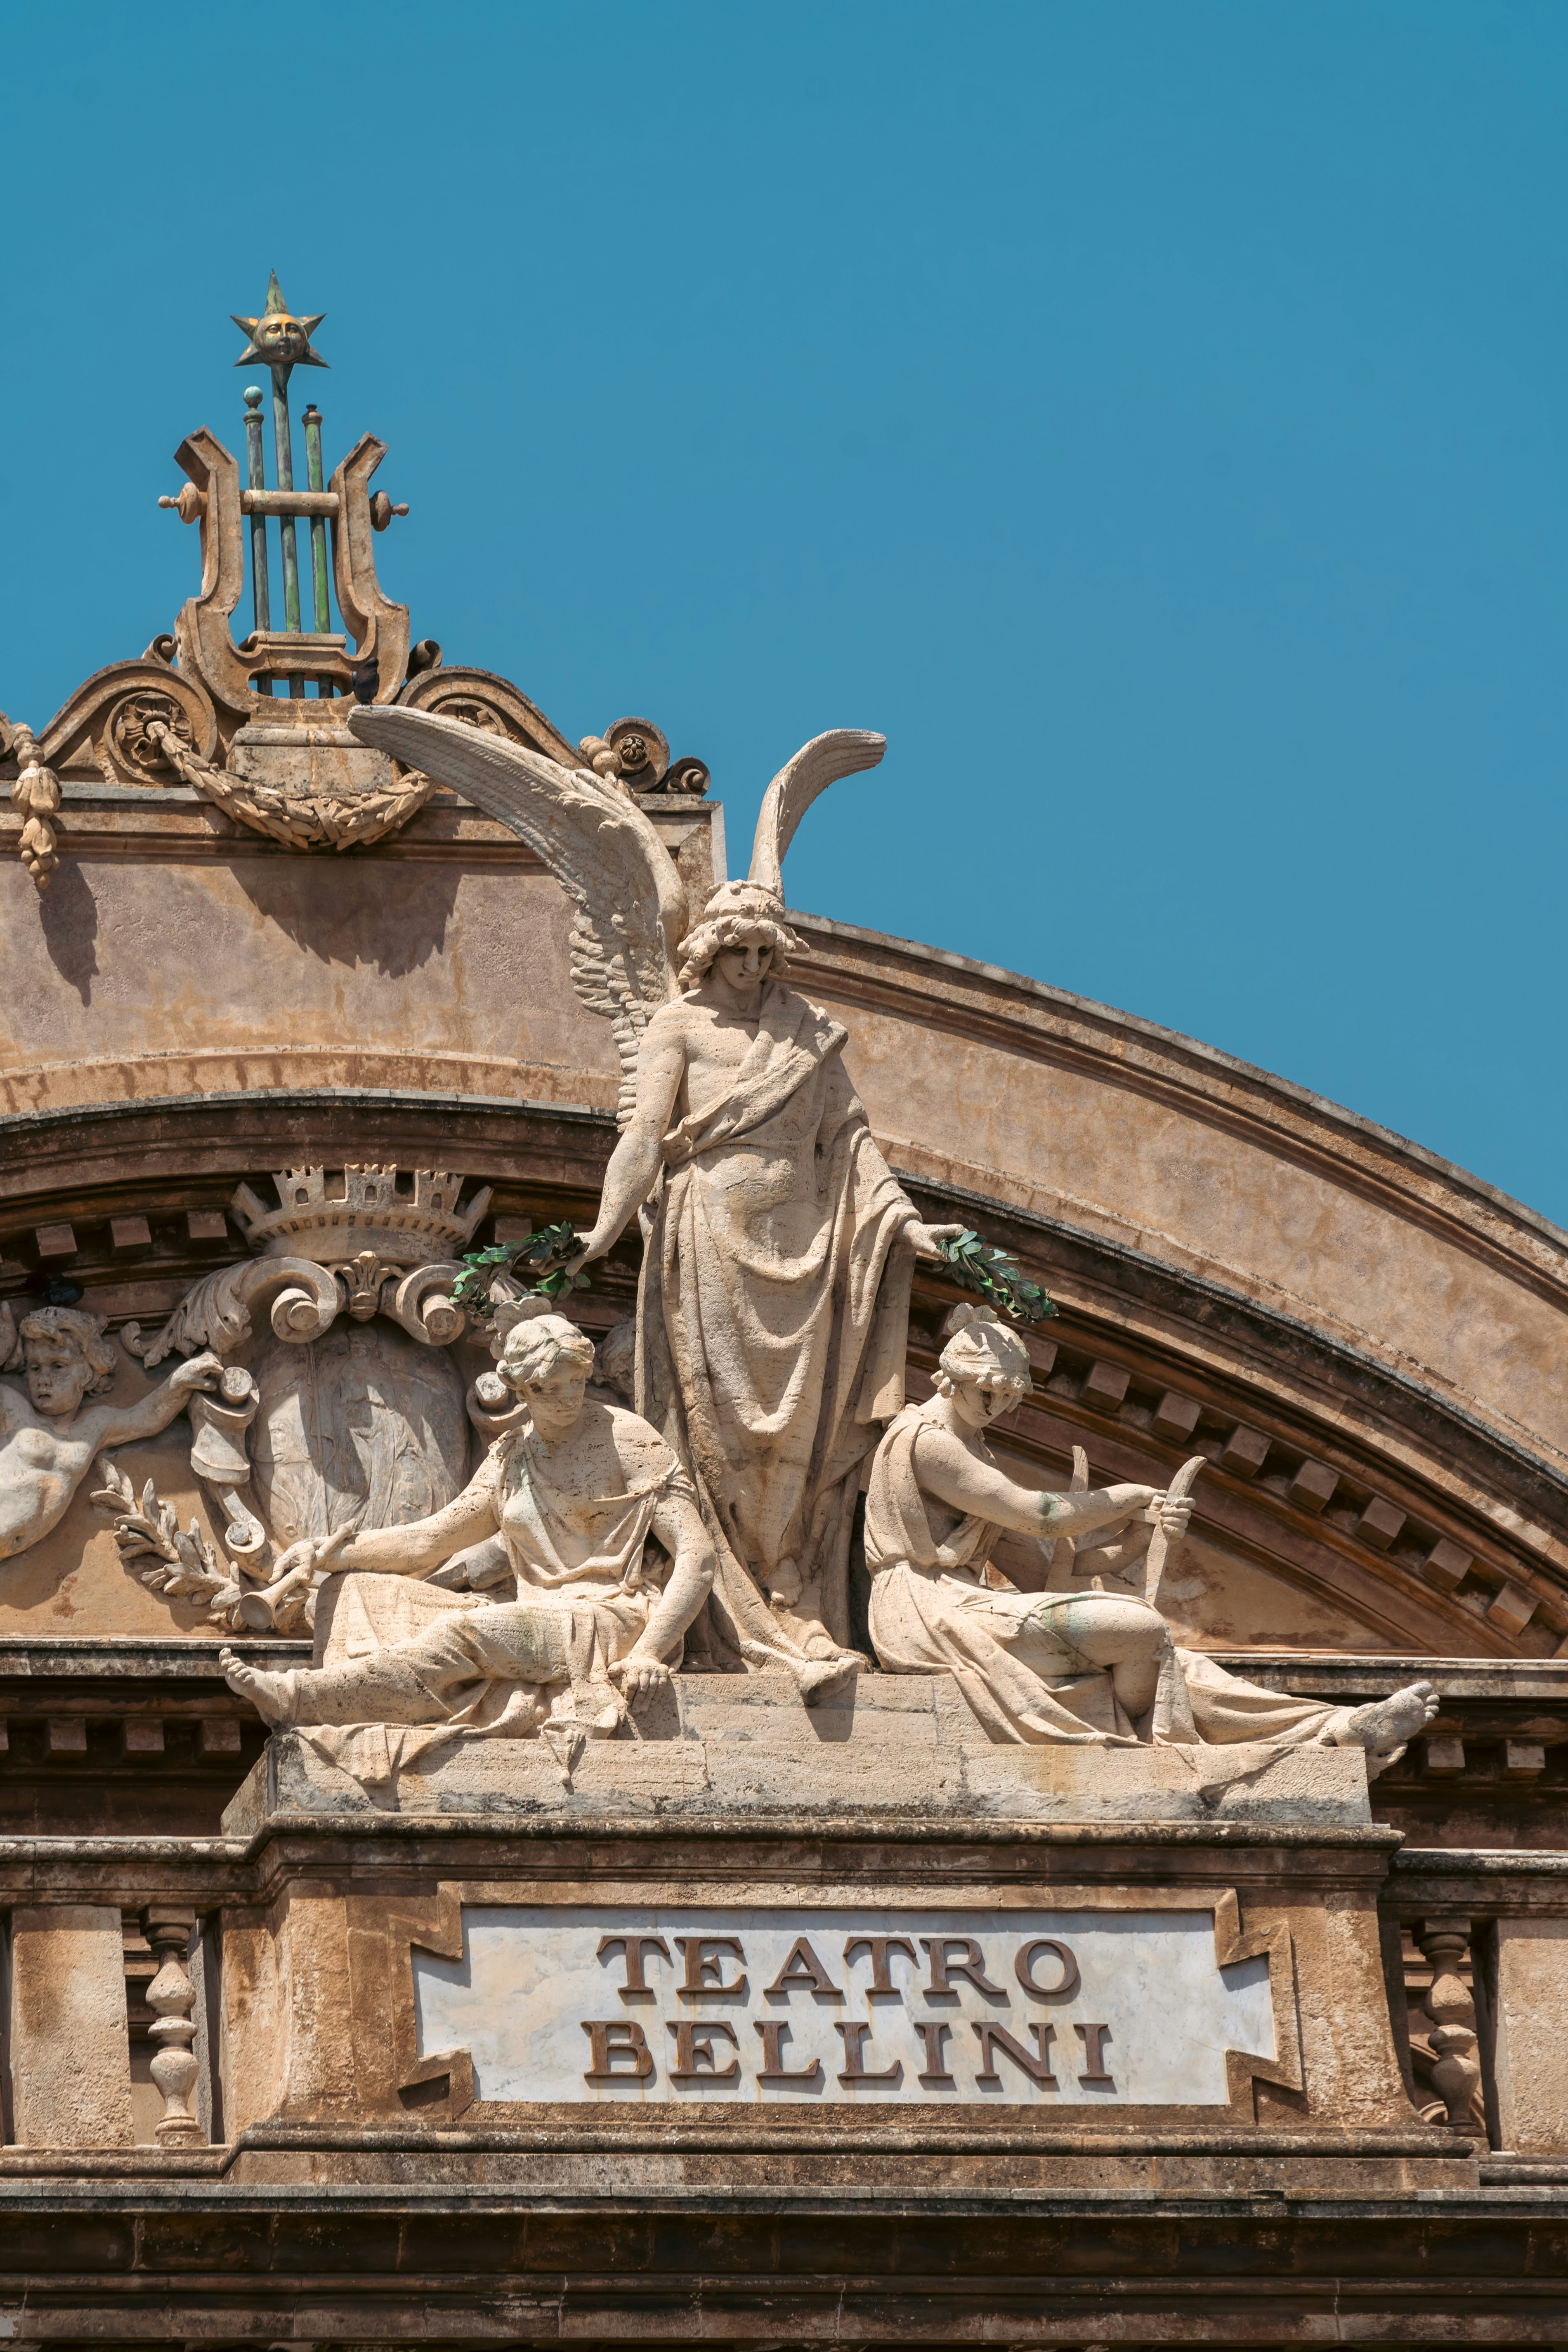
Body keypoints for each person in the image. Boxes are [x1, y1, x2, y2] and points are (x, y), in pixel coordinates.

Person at [565, 878, 963, 1692]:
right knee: (722, 1430)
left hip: (807, 1247)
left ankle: (794, 1596)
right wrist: (603, 1231)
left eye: (764, 953)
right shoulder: (677, 1027)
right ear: (708, 951)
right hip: (711, 1234)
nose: (752, 968)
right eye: (737, 952)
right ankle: (741, 1610)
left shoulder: (806, 1031)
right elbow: (644, 1136)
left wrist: (905, 1224)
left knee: (798, 1435)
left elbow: (851, 1141)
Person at [864, 1305, 1440, 1760]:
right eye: (987, 1391)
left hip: (972, 1604)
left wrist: (1138, 1541)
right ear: (950, 1379)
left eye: (1010, 1397)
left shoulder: (975, 1451)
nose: (997, 1406)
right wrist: (1131, 1496)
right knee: (1140, 1630)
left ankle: (1329, 1729)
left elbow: (1041, 1570)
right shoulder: (926, 1441)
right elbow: (1037, 1514)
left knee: (1172, 1659)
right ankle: (1159, 1745)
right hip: (928, 1612)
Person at [221, 1308, 715, 1742]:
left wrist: (650, 1652)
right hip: (535, 1613)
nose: (566, 1398)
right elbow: (429, 1539)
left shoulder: (628, 1439)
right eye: (547, 1388)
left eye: (576, 1382)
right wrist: (328, 1555)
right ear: (520, 1389)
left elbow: (697, 1555)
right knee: (355, 1591)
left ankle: (300, 1698)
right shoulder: (511, 1455)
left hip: (606, 1616)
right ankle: (372, 1712)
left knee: (464, 1633)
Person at [0, 1303, 222, 1560]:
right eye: (35, 1368)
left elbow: (145, 1419)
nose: (44, 1379)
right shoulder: (14, 1408)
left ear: (87, 1372)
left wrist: (179, 1382)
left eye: (58, 1366)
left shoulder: (95, 1424)